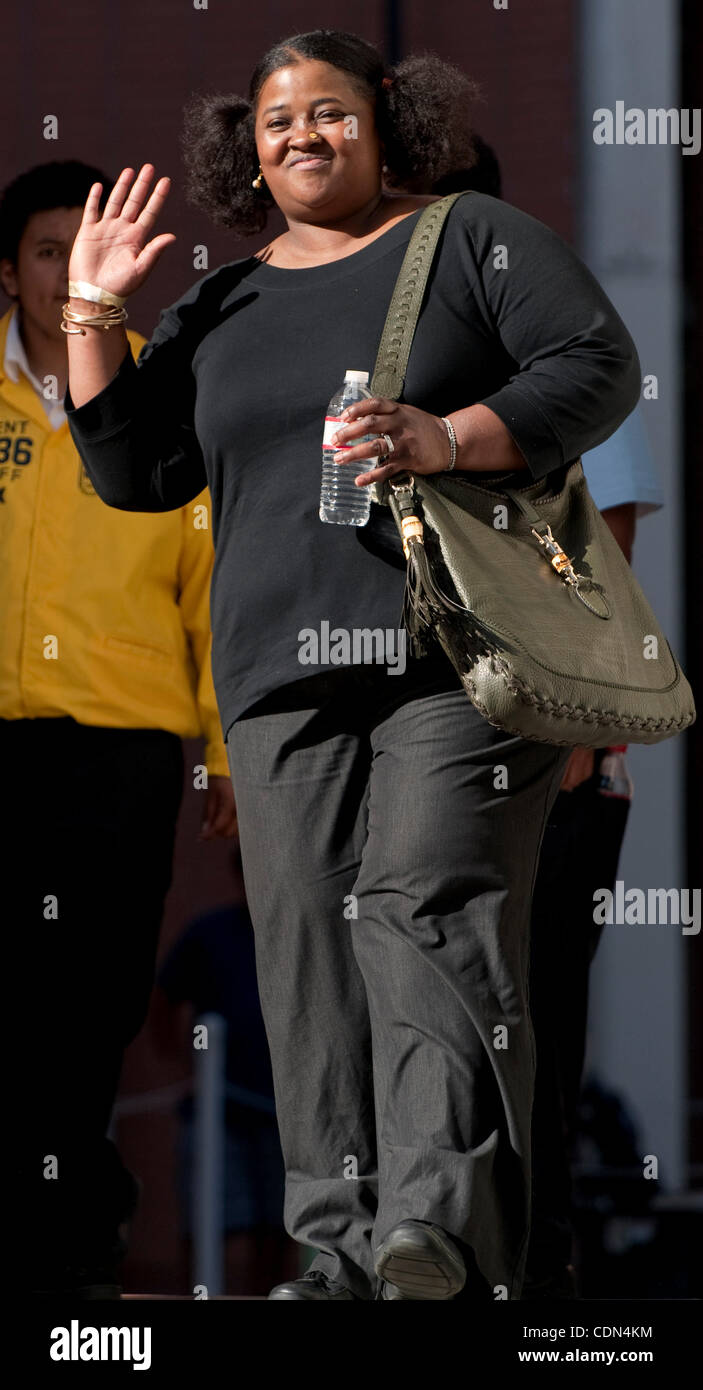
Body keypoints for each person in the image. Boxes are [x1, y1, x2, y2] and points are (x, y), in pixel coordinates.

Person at [63, 30, 641, 1301]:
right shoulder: (226, 298)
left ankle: (428, 1232)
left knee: (424, 908)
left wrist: (452, 433)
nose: (300, 139)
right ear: (245, 150)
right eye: (274, 124)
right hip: (278, 677)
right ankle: (334, 1244)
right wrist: (93, 311)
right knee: (309, 954)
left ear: (387, 122)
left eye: (327, 114)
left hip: (452, 658)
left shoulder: (470, 239)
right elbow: (130, 471)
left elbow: (599, 365)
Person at [420, 131, 665, 1298]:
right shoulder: (377, 355)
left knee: (539, 1033)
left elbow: (604, 551)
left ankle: (538, 1274)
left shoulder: (566, 347)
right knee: (428, 1021)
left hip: (552, 758)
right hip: (417, 754)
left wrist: (568, 733)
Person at [0, 160, 237, 1299]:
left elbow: (215, 585)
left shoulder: (161, 395)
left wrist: (229, 752)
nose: (63, 274)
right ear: (9, 269)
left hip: (123, 753)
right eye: (46, 251)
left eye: (84, 249)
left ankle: (71, 1251)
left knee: (90, 1004)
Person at [152, 843, 300, 1296]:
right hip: (217, 1110)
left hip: (286, 1112)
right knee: (206, 1217)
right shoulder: (208, 932)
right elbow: (164, 996)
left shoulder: (294, 931)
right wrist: (181, 1060)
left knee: (280, 1228)